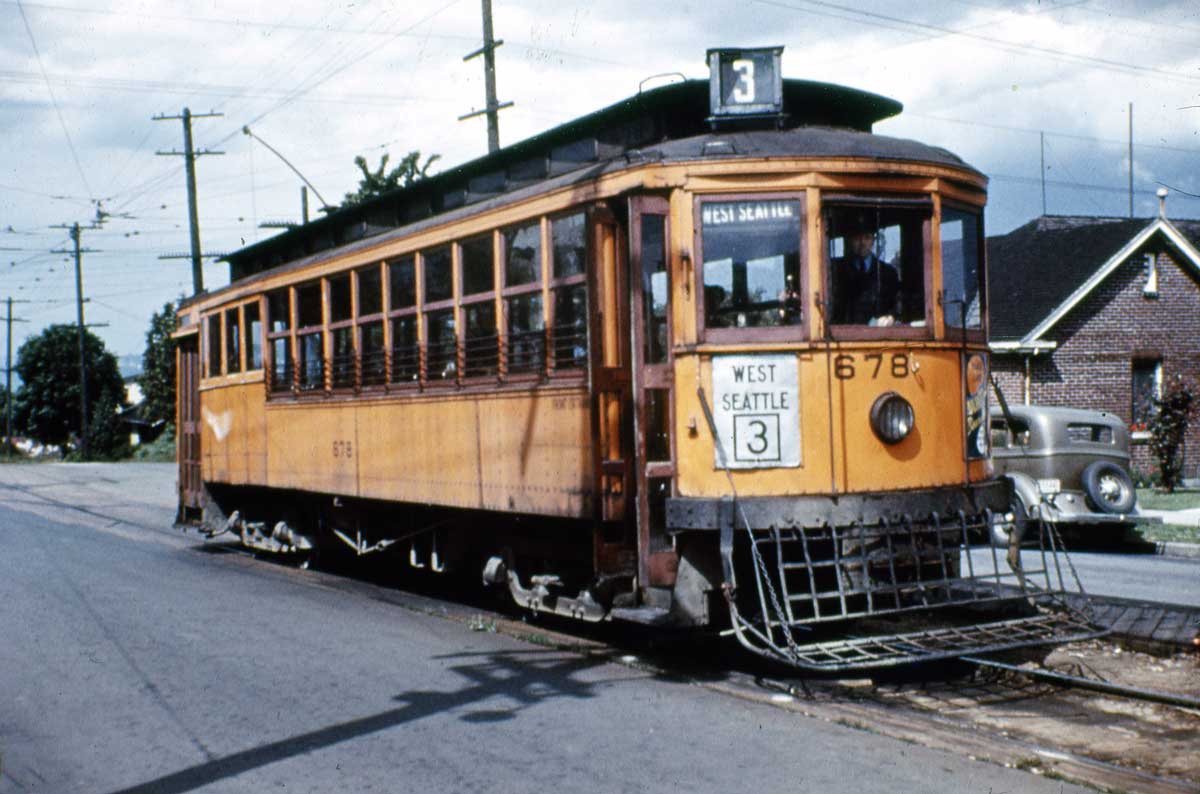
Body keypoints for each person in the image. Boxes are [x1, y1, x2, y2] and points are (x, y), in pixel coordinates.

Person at [831, 223, 900, 326]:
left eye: (867, 238)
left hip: (878, 332)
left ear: (873, 241)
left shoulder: (888, 273)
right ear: (850, 241)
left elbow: (896, 306)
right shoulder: (836, 270)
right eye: (857, 238)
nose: (862, 243)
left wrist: (891, 317)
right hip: (844, 331)